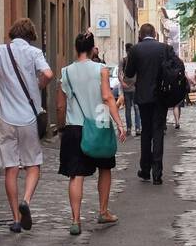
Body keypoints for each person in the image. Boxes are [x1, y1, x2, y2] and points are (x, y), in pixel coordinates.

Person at [0, 18, 53, 233]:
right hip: (28, 117)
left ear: (13, 33)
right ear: (30, 36)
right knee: (33, 165)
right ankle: (26, 200)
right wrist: (39, 86)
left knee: (10, 168)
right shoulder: (34, 53)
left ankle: (16, 219)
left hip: (6, 118)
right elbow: (48, 74)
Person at [58, 31, 125, 235]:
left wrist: (63, 127)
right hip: (99, 124)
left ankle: (75, 220)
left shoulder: (66, 72)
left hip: (74, 127)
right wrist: (119, 123)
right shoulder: (101, 69)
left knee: (76, 175)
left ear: (76, 48)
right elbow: (107, 97)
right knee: (105, 168)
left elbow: (60, 105)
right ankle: (103, 211)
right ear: (92, 48)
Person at [124, 23, 180, 185]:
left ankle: (145, 169)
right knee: (158, 132)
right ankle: (158, 173)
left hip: (143, 97)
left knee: (146, 133)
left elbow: (129, 73)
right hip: (161, 96)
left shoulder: (135, 49)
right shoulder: (165, 48)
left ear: (140, 35)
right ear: (155, 34)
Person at [119, 42, 140, 134]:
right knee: (135, 108)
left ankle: (130, 128)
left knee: (129, 108)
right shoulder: (134, 60)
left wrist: (122, 83)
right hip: (133, 87)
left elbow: (119, 74)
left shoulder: (124, 60)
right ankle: (136, 128)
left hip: (129, 87)